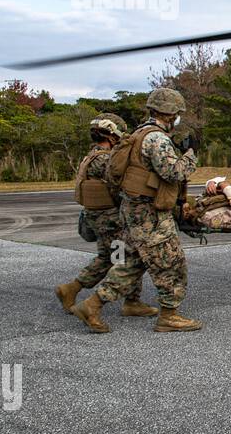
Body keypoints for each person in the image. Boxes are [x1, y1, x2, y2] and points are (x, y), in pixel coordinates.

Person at [71, 87, 201, 333]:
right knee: (171, 262)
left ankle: (92, 304)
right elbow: (174, 172)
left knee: (132, 262)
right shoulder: (157, 138)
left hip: (131, 209)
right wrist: (191, 155)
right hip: (149, 213)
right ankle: (169, 315)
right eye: (176, 114)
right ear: (171, 113)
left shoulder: (138, 134)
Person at [54, 113, 158, 320]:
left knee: (108, 257)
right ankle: (130, 302)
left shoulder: (92, 155)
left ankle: (71, 289)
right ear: (112, 135)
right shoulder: (105, 159)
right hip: (111, 220)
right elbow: (123, 182)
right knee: (127, 257)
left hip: (99, 218)